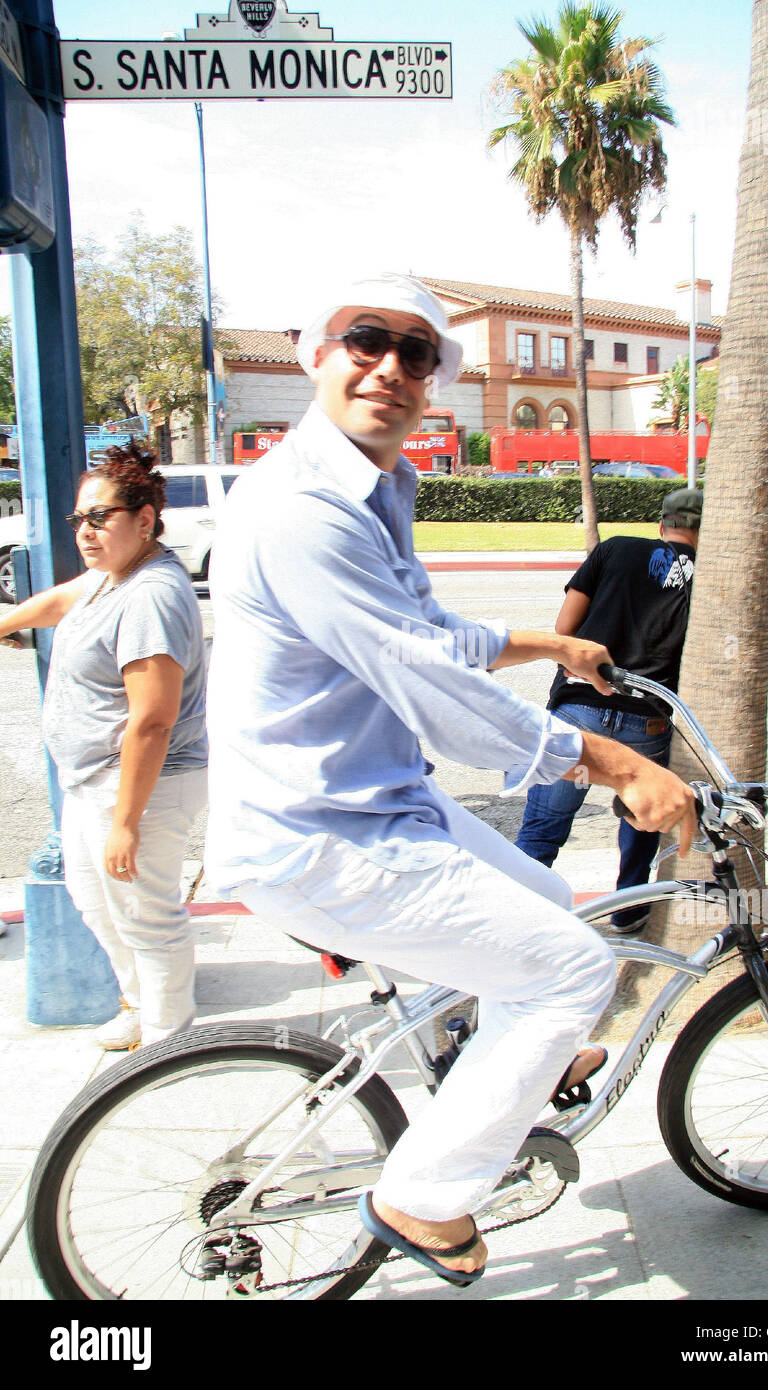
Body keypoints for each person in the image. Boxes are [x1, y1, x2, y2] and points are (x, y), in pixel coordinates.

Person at [204, 273, 697, 1286]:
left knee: (550, 897)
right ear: (316, 354)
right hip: (324, 835)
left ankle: (513, 1062)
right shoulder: (303, 508)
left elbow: (419, 631)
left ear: (434, 380)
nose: (389, 366)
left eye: (415, 352)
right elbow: (423, 680)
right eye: (365, 341)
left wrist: (538, 643)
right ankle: (420, 1198)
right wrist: (608, 758)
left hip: (378, 806)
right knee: (571, 969)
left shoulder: (377, 484)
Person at [0, 442, 208, 1048]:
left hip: (142, 784)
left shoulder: (151, 595)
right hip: (94, 780)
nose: (85, 532)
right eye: (78, 520)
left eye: (100, 518)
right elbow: (66, 598)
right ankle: (142, 1008)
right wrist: (7, 623)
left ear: (145, 520)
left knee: (147, 917)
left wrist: (127, 820)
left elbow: (152, 721)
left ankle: (169, 1044)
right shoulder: (113, 576)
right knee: (98, 904)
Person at [516, 487, 702, 934]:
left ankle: (520, 918)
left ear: (662, 524)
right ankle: (628, 909)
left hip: (580, 711)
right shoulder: (708, 575)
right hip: (647, 718)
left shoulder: (616, 548)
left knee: (545, 823)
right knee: (640, 815)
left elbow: (564, 629)